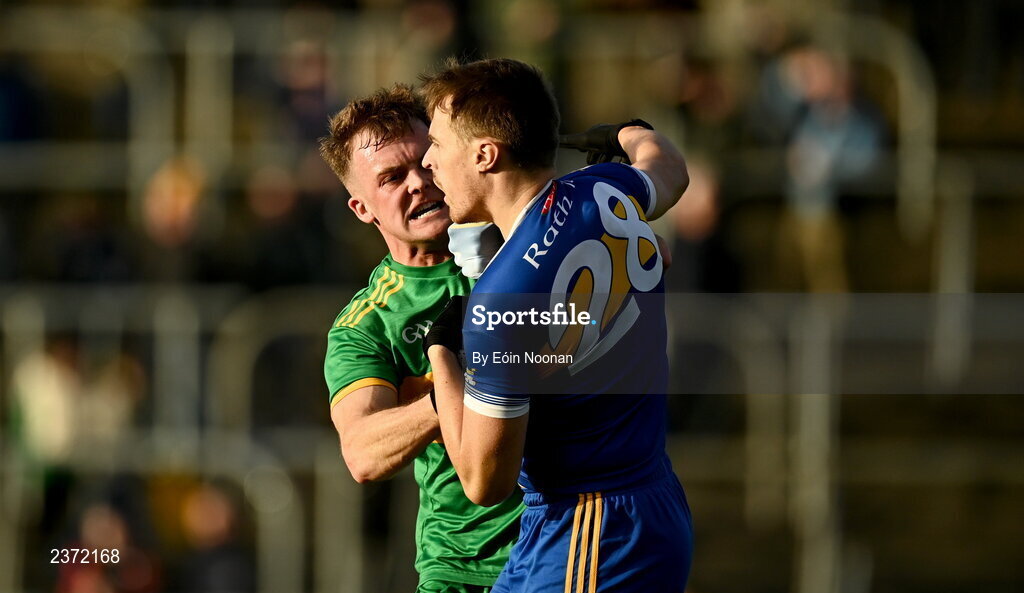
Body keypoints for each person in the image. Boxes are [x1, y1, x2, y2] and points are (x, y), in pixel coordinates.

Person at [420, 58, 693, 593]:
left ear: (485, 154)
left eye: (437, 143)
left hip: (590, 529)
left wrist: (441, 353)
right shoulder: (600, 189)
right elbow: (670, 170)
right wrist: (629, 134)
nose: (428, 161)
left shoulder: (502, 301)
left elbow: (483, 480)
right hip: (639, 499)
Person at [318, 83, 521, 593]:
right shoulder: (366, 325)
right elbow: (363, 453)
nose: (418, 184)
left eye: (424, 164)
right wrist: (457, 390)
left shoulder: (522, 243)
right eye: (391, 178)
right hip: (461, 566)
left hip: (567, 540)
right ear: (362, 208)